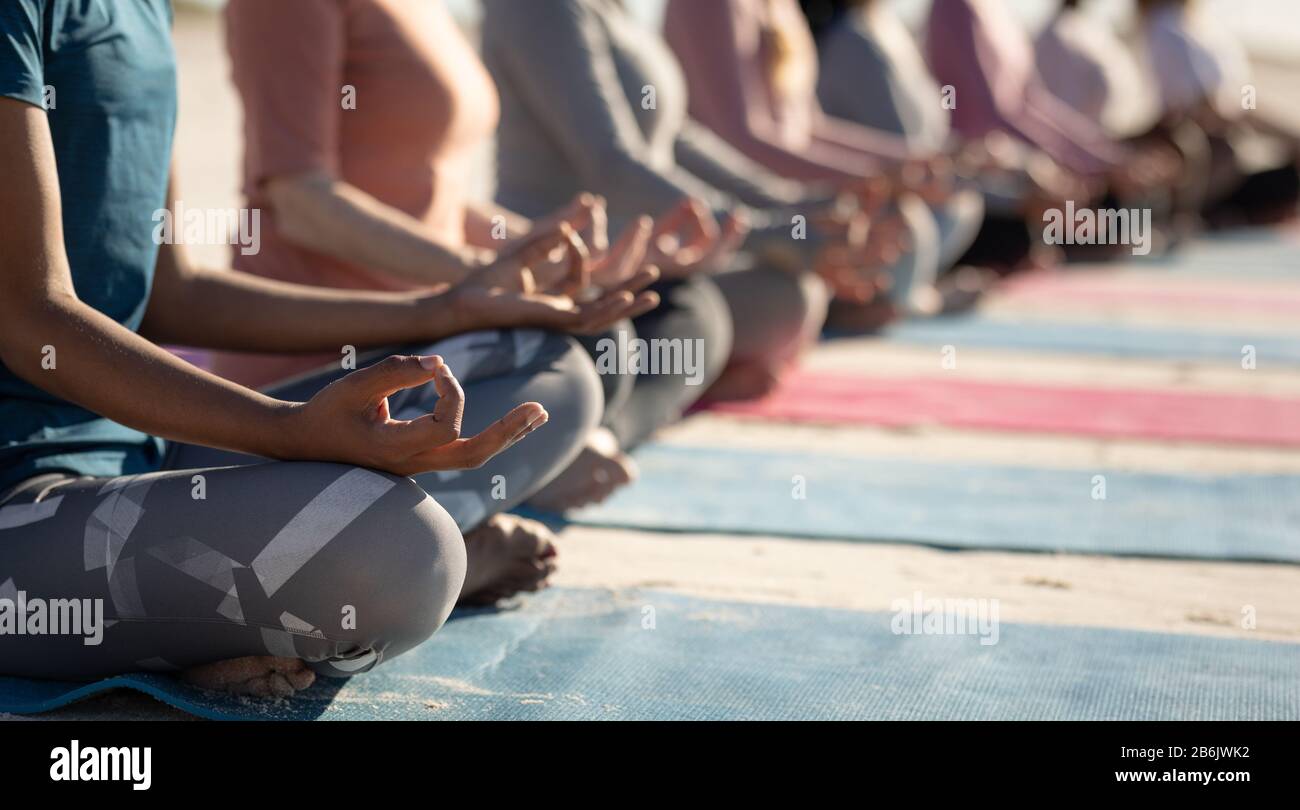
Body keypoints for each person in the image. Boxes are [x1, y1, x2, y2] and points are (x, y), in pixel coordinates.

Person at [0, 0, 650, 696]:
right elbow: (30, 318)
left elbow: (171, 296)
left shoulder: (145, 9)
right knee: (403, 554)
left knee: (540, 365)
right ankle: (247, 609)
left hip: (144, 457)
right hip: (20, 504)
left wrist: (442, 309)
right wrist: (286, 431)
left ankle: (221, 615)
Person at [217, 0, 742, 511]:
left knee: (653, 315)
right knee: (570, 373)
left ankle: (563, 458)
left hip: (427, 329)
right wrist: (480, 281)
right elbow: (302, 204)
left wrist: (561, 258)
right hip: (331, 357)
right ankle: (447, 512)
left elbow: (431, 196)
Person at [481, 0, 902, 386]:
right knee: (781, 300)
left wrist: (793, 207)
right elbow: (611, 163)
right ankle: (635, 404)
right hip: (574, 266)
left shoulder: (616, 9)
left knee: (796, 292)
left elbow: (680, 140)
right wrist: (766, 232)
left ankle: (690, 377)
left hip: (656, 255)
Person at [664, 0, 989, 319]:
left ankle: (887, 301)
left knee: (944, 205)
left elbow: (809, 130)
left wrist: (904, 166)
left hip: (776, 188)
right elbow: (741, 142)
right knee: (897, 225)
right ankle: (878, 304)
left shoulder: (781, 6)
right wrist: (861, 183)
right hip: (729, 199)